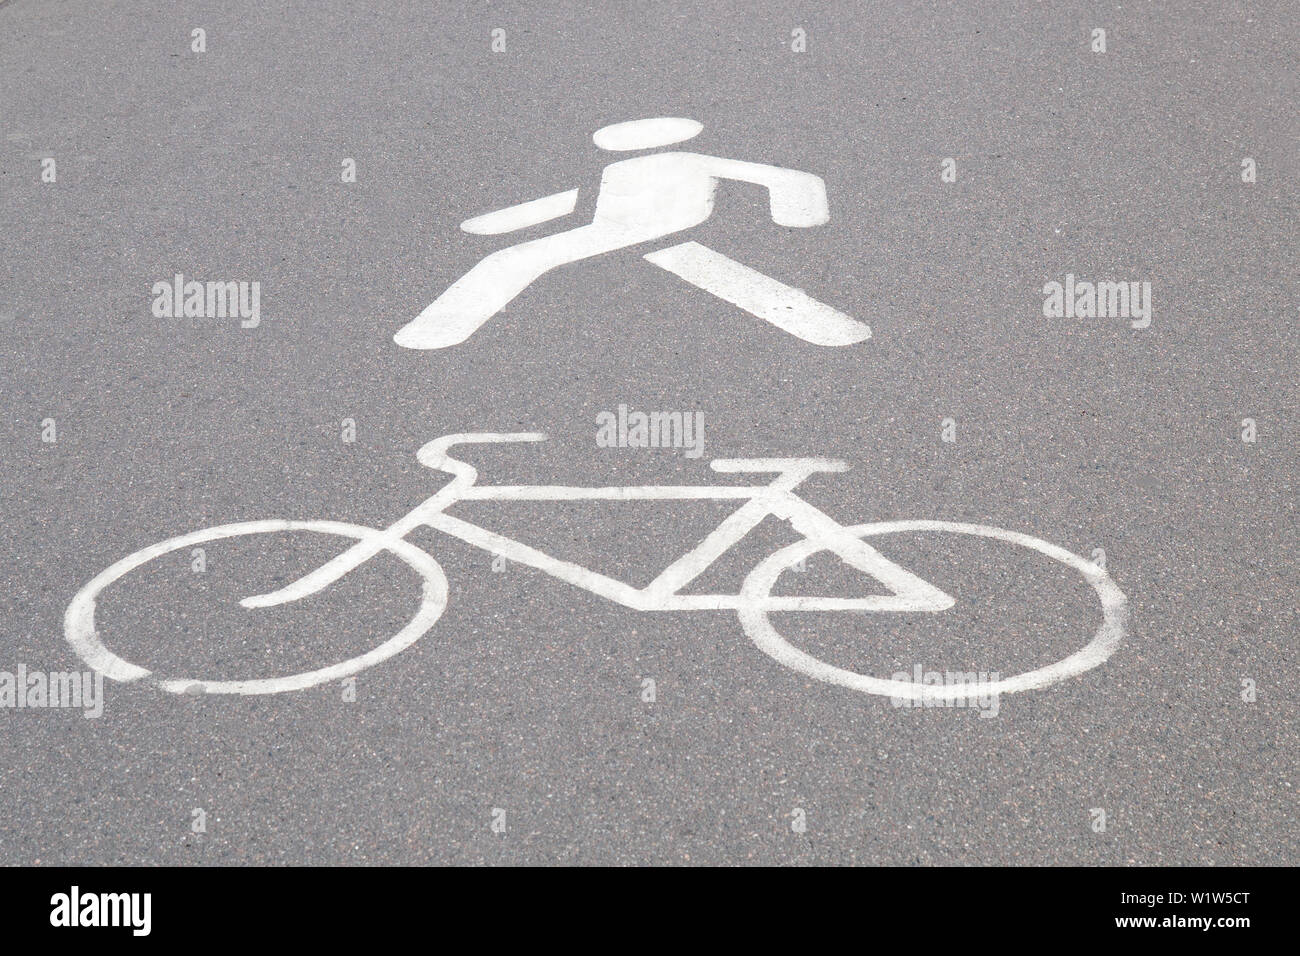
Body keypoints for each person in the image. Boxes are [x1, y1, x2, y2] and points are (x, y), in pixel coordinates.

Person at [395, 117, 867, 350]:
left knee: (509, 260)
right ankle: (828, 327)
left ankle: (439, 330)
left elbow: (786, 179)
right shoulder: (619, 171)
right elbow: (575, 203)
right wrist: (500, 222)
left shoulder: (690, 162)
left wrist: (796, 213)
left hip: (652, 231)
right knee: (721, 275)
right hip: (625, 232)